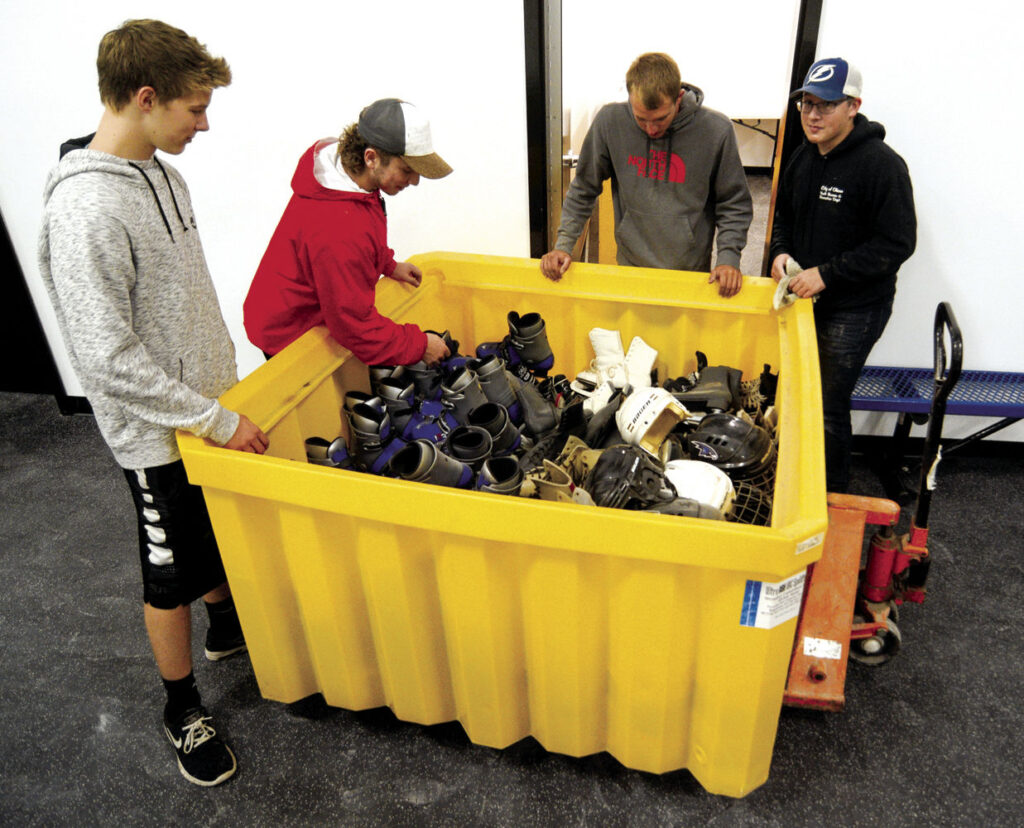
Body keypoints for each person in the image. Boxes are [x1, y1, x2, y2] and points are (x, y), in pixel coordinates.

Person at [38, 19, 268, 787]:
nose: (204, 124)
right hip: (154, 430)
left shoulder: (166, 174)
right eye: (195, 109)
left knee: (215, 532)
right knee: (167, 563)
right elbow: (106, 358)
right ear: (146, 98)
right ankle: (181, 706)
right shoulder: (84, 212)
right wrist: (213, 418)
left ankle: (228, 624)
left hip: (206, 404)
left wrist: (222, 396)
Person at [769, 57, 916, 493]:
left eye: (826, 106)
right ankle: (795, 483)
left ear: (854, 106)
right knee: (796, 392)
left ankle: (830, 496)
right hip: (804, 299)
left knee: (828, 403)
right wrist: (780, 252)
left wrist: (827, 275)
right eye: (807, 104)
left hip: (855, 308)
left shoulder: (882, 166)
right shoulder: (803, 157)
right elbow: (784, 217)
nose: (813, 116)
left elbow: (896, 244)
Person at [243, 99, 453, 365]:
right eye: (408, 170)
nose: (414, 181)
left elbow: (364, 227)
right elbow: (353, 326)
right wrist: (419, 344)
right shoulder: (337, 228)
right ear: (371, 158)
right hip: (289, 331)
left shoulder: (345, 177)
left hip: (303, 302)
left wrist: (386, 263)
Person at [540, 52, 753, 298]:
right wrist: (563, 246)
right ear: (629, 98)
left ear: (679, 98)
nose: (651, 129)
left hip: (690, 272)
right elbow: (583, 189)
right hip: (631, 266)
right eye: (641, 119)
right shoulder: (611, 122)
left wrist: (728, 257)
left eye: (661, 119)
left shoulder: (717, 131)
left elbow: (734, 203)